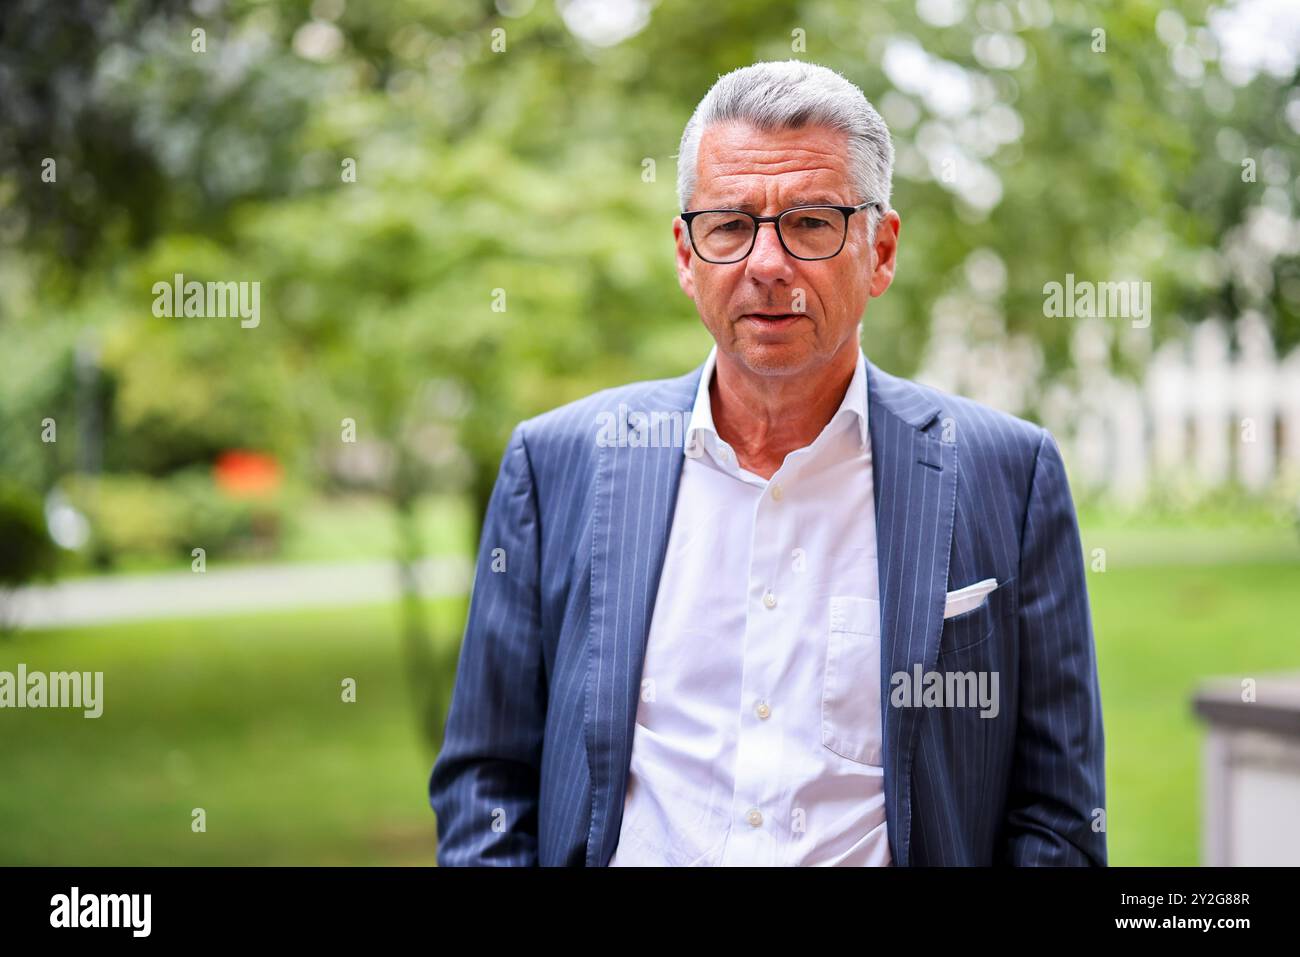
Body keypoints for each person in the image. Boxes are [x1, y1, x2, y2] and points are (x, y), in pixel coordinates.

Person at [429, 60, 1106, 866]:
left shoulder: (1009, 475)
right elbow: (486, 780)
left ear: (881, 250)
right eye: (729, 225)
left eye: (812, 222)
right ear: (686, 255)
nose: (767, 263)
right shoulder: (556, 464)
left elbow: (1057, 816)